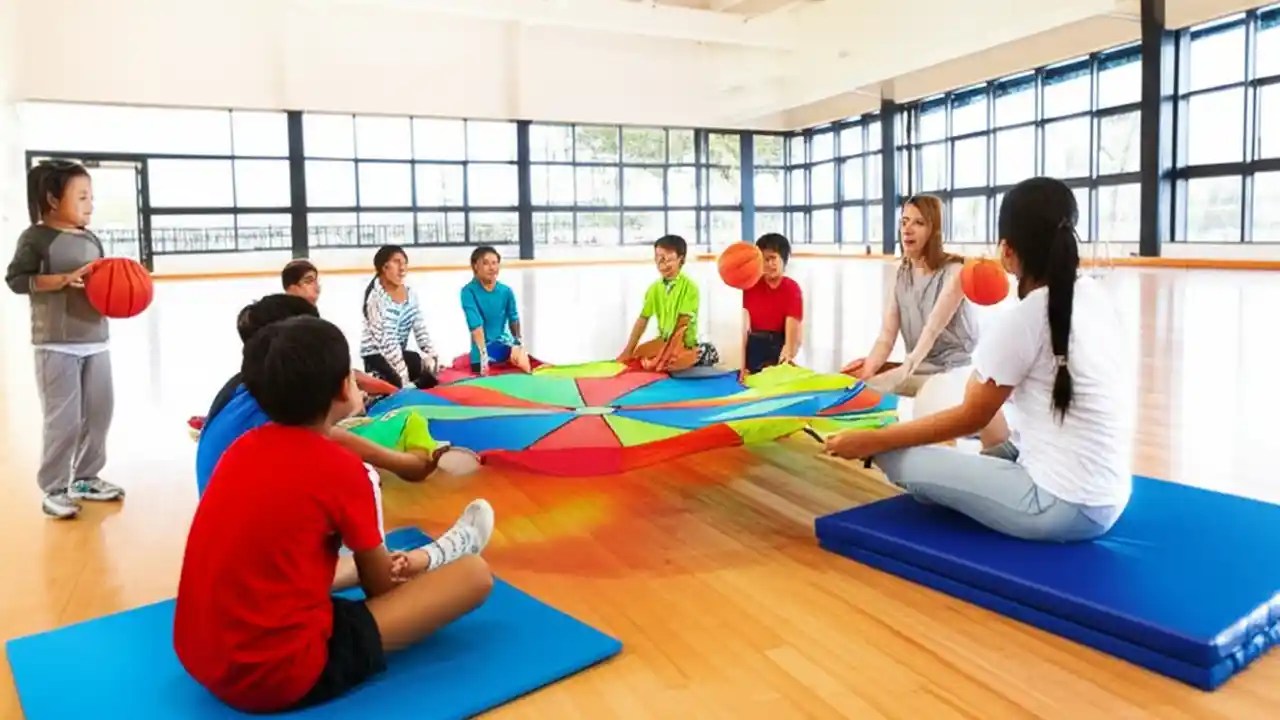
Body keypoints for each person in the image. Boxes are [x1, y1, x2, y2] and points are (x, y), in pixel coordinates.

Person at [174, 315, 495, 714]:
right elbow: (382, 591)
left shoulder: (241, 448)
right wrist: (389, 568)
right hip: (272, 675)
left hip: (199, 653)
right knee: (475, 576)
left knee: (309, 562)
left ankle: (417, 559)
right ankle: (436, 556)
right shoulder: (344, 470)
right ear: (344, 387)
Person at [824, 177, 1134, 543]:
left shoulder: (1023, 319)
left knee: (898, 459)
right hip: (1109, 495)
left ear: (1006, 250)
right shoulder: (1094, 295)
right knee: (975, 418)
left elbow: (971, 416)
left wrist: (872, 441)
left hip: (1059, 507)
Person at [195, 294, 452, 497]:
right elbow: (336, 442)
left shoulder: (252, 386)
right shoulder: (285, 417)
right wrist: (411, 464)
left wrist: (395, 391)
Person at [4, 160, 124, 519]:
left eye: (91, 197)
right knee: (64, 421)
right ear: (53, 200)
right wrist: (60, 280)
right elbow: (16, 280)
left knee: (100, 414)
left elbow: (100, 285)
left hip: (96, 339)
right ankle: (55, 488)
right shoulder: (36, 238)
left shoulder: (90, 238)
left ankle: (86, 478)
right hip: (56, 344)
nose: (90, 204)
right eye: (82, 196)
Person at [840, 195, 977, 395]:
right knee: (857, 386)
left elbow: (932, 330)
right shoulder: (902, 273)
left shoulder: (955, 272)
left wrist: (900, 373)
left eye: (918, 223)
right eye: (904, 222)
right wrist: (866, 373)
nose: (907, 229)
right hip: (919, 367)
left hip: (951, 371)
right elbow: (886, 338)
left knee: (873, 390)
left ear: (934, 230)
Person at [617, 235, 719, 372]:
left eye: (668, 260)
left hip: (682, 342)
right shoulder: (654, 288)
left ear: (680, 260)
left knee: (670, 364)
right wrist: (628, 350)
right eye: (659, 259)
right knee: (638, 354)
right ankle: (669, 358)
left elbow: (681, 326)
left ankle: (703, 352)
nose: (662, 264)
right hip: (664, 340)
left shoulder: (690, 288)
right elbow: (643, 319)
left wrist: (662, 358)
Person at [359, 245, 439, 389]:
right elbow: (387, 342)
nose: (402, 268)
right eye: (397, 262)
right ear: (384, 267)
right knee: (396, 382)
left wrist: (432, 356)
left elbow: (420, 329)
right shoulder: (375, 300)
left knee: (417, 362)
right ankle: (377, 381)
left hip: (397, 353)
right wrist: (403, 378)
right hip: (377, 356)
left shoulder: (410, 294)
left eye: (404, 263)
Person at [461, 246, 531, 374]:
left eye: (494, 263)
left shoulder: (506, 291)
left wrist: (518, 344)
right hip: (483, 351)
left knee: (522, 360)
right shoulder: (468, 292)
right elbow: (475, 324)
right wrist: (483, 355)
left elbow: (513, 318)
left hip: (505, 345)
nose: (492, 268)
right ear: (475, 266)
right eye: (486, 263)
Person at [740, 233, 803, 375]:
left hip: (778, 345)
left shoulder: (792, 288)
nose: (769, 264)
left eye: (773, 258)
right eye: (765, 259)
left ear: (783, 259)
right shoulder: (750, 286)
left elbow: (792, 334)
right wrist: (742, 366)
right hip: (754, 344)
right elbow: (743, 329)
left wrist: (785, 360)